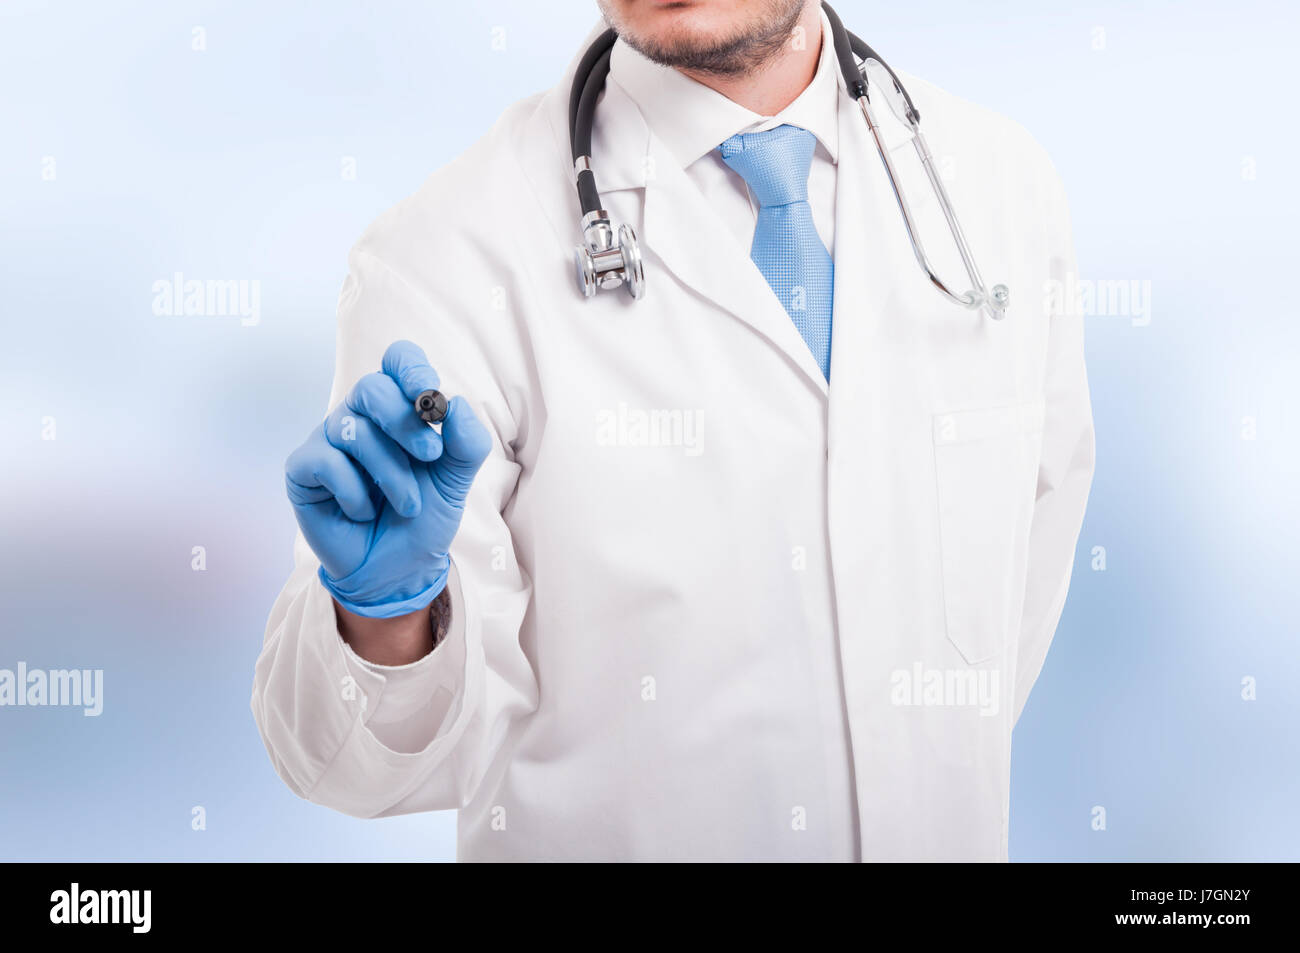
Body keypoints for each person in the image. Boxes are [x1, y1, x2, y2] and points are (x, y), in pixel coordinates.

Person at [251, 0, 1094, 861]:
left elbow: (1012, 610)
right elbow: (356, 765)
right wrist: (386, 621)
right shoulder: (448, 260)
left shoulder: (997, 192)